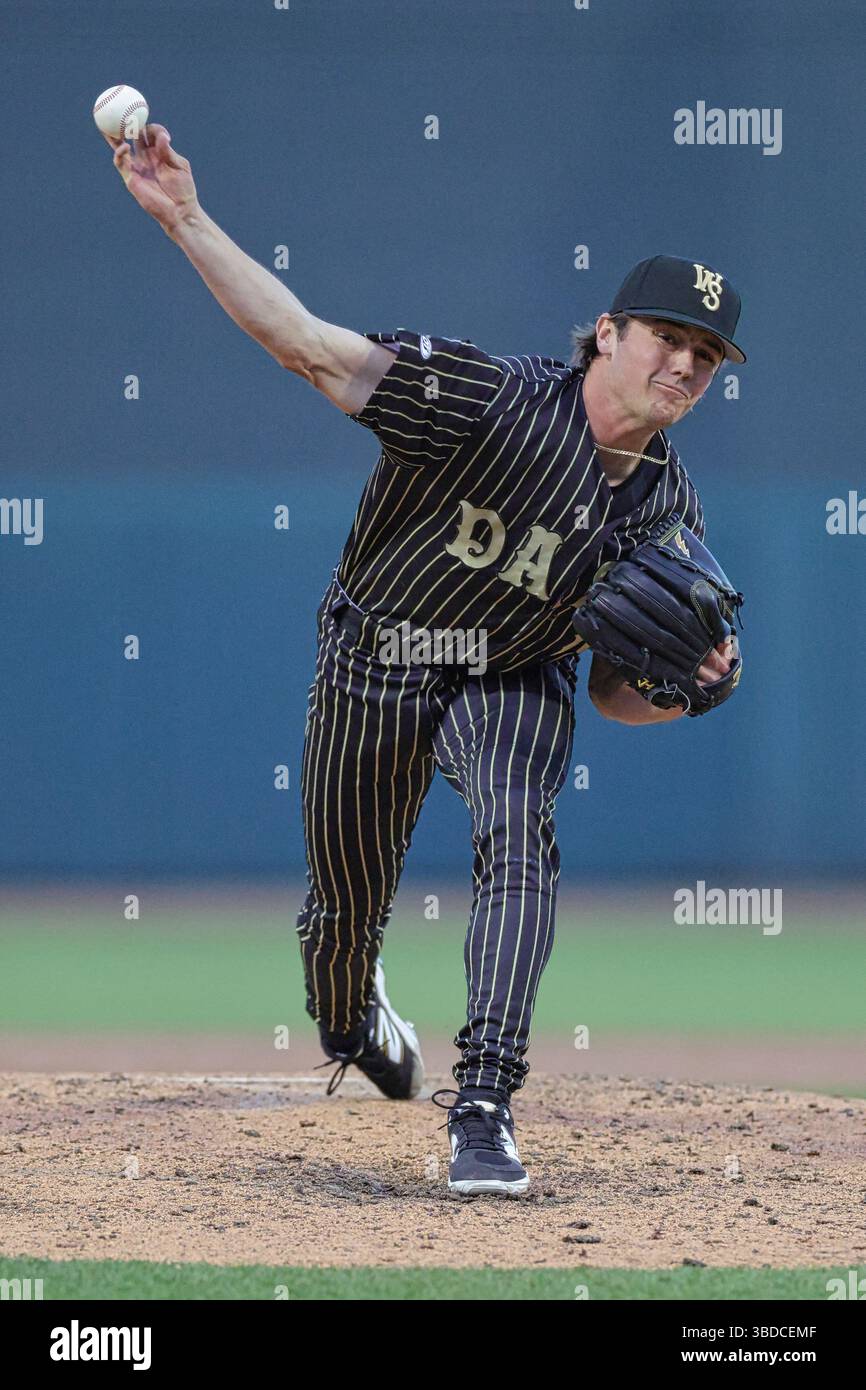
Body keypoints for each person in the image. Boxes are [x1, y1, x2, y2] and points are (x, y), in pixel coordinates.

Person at [105, 124, 743, 1197]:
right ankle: (351, 1015)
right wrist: (185, 217)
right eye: (666, 336)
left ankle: (484, 1101)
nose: (684, 363)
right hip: (381, 651)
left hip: (513, 675)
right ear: (606, 332)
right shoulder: (486, 397)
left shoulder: (665, 510)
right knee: (343, 913)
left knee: (519, 832)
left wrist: (693, 690)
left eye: (707, 354)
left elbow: (612, 692)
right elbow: (309, 347)